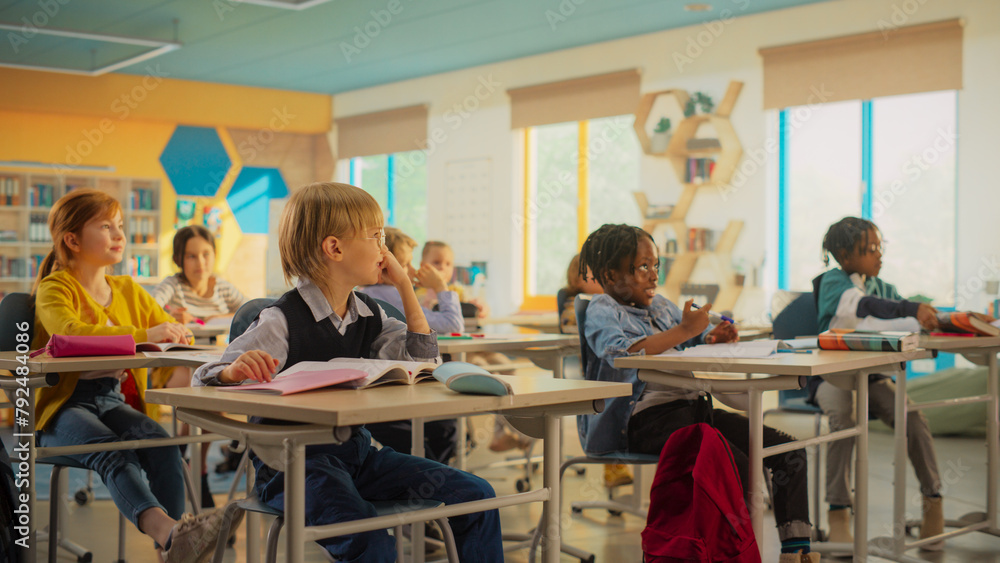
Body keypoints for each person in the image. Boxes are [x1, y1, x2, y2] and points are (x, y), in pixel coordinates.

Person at [192, 182, 502, 562]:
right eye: (376, 237)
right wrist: (231, 372)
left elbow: (422, 360)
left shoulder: (368, 312)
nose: (383, 249)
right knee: (371, 540)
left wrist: (404, 283)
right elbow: (204, 376)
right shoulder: (281, 319)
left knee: (477, 496)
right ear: (334, 248)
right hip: (292, 469)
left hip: (358, 457)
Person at [578, 223, 818, 563]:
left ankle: (796, 554)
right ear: (610, 273)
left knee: (786, 450)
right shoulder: (603, 308)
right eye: (642, 266)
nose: (652, 275)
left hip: (692, 412)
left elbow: (691, 338)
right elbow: (621, 354)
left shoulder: (660, 305)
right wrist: (684, 330)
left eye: (656, 265)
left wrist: (711, 336)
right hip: (643, 423)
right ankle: (734, 553)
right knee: (737, 463)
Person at [31, 188, 230, 563]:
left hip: (111, 397)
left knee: (163, 445)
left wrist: (178, 331)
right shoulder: (53, 288)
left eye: (120, 225)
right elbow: (68, 336)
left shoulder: (126, 289)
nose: (120, 235)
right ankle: (172, 535)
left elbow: (167, 328)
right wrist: (144, 335)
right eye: (107, 226)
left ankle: (171, 548)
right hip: (61, 406)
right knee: (113, 453)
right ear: (72, 240)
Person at [812, 217, 945, 549]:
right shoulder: (832, 281)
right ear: (844, 255)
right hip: (833, 377)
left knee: (913, 419)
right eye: (869, 249)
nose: (878, 255)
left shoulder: (884, 287)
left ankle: (934, 502)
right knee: (844, 420)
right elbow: (865, 308)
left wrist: (932, 319)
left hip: (872, 378)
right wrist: (910, 309)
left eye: (879, 248)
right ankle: (839, 513)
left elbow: (897, 315)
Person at [150, 224, 248, 507]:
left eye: (206, 254)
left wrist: (221, 313)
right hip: (174, 365)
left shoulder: (222, 287)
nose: (200, 262)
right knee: (206, 403)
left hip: (210, 364)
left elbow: (254, 312)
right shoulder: (173, 285)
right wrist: (169, 314)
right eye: (191, 256)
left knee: (207, 404)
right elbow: (149, 307)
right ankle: (192, 467)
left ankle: (187, 461)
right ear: (179, 259)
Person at [358, 226, 459, 463]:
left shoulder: (371, 294)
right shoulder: (388, 293)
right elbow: (453, 324)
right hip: (396, 394)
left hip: (388, 391)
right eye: (404, 265)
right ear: (384, 265)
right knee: (445, 424)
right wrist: (443, 288)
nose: (411, 272)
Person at [416, 240, 528, 452]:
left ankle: (503, 430)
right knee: (478, 368)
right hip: (449, 355)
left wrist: (481, 308)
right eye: (436, 262)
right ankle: (494, 431)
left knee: (505, 367)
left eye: (448, 264)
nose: (442, 268)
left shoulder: (457, 291)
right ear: (423, 264)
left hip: (473, 346)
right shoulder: (418, 294)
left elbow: (477, 311)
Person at [560, 253, 633, 489]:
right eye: (594, 274)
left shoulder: (611, 301)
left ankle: (616, 464)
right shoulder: (579, 302)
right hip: (594, 367)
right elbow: (570, 324)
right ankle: (613, 464)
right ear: (578, 277)